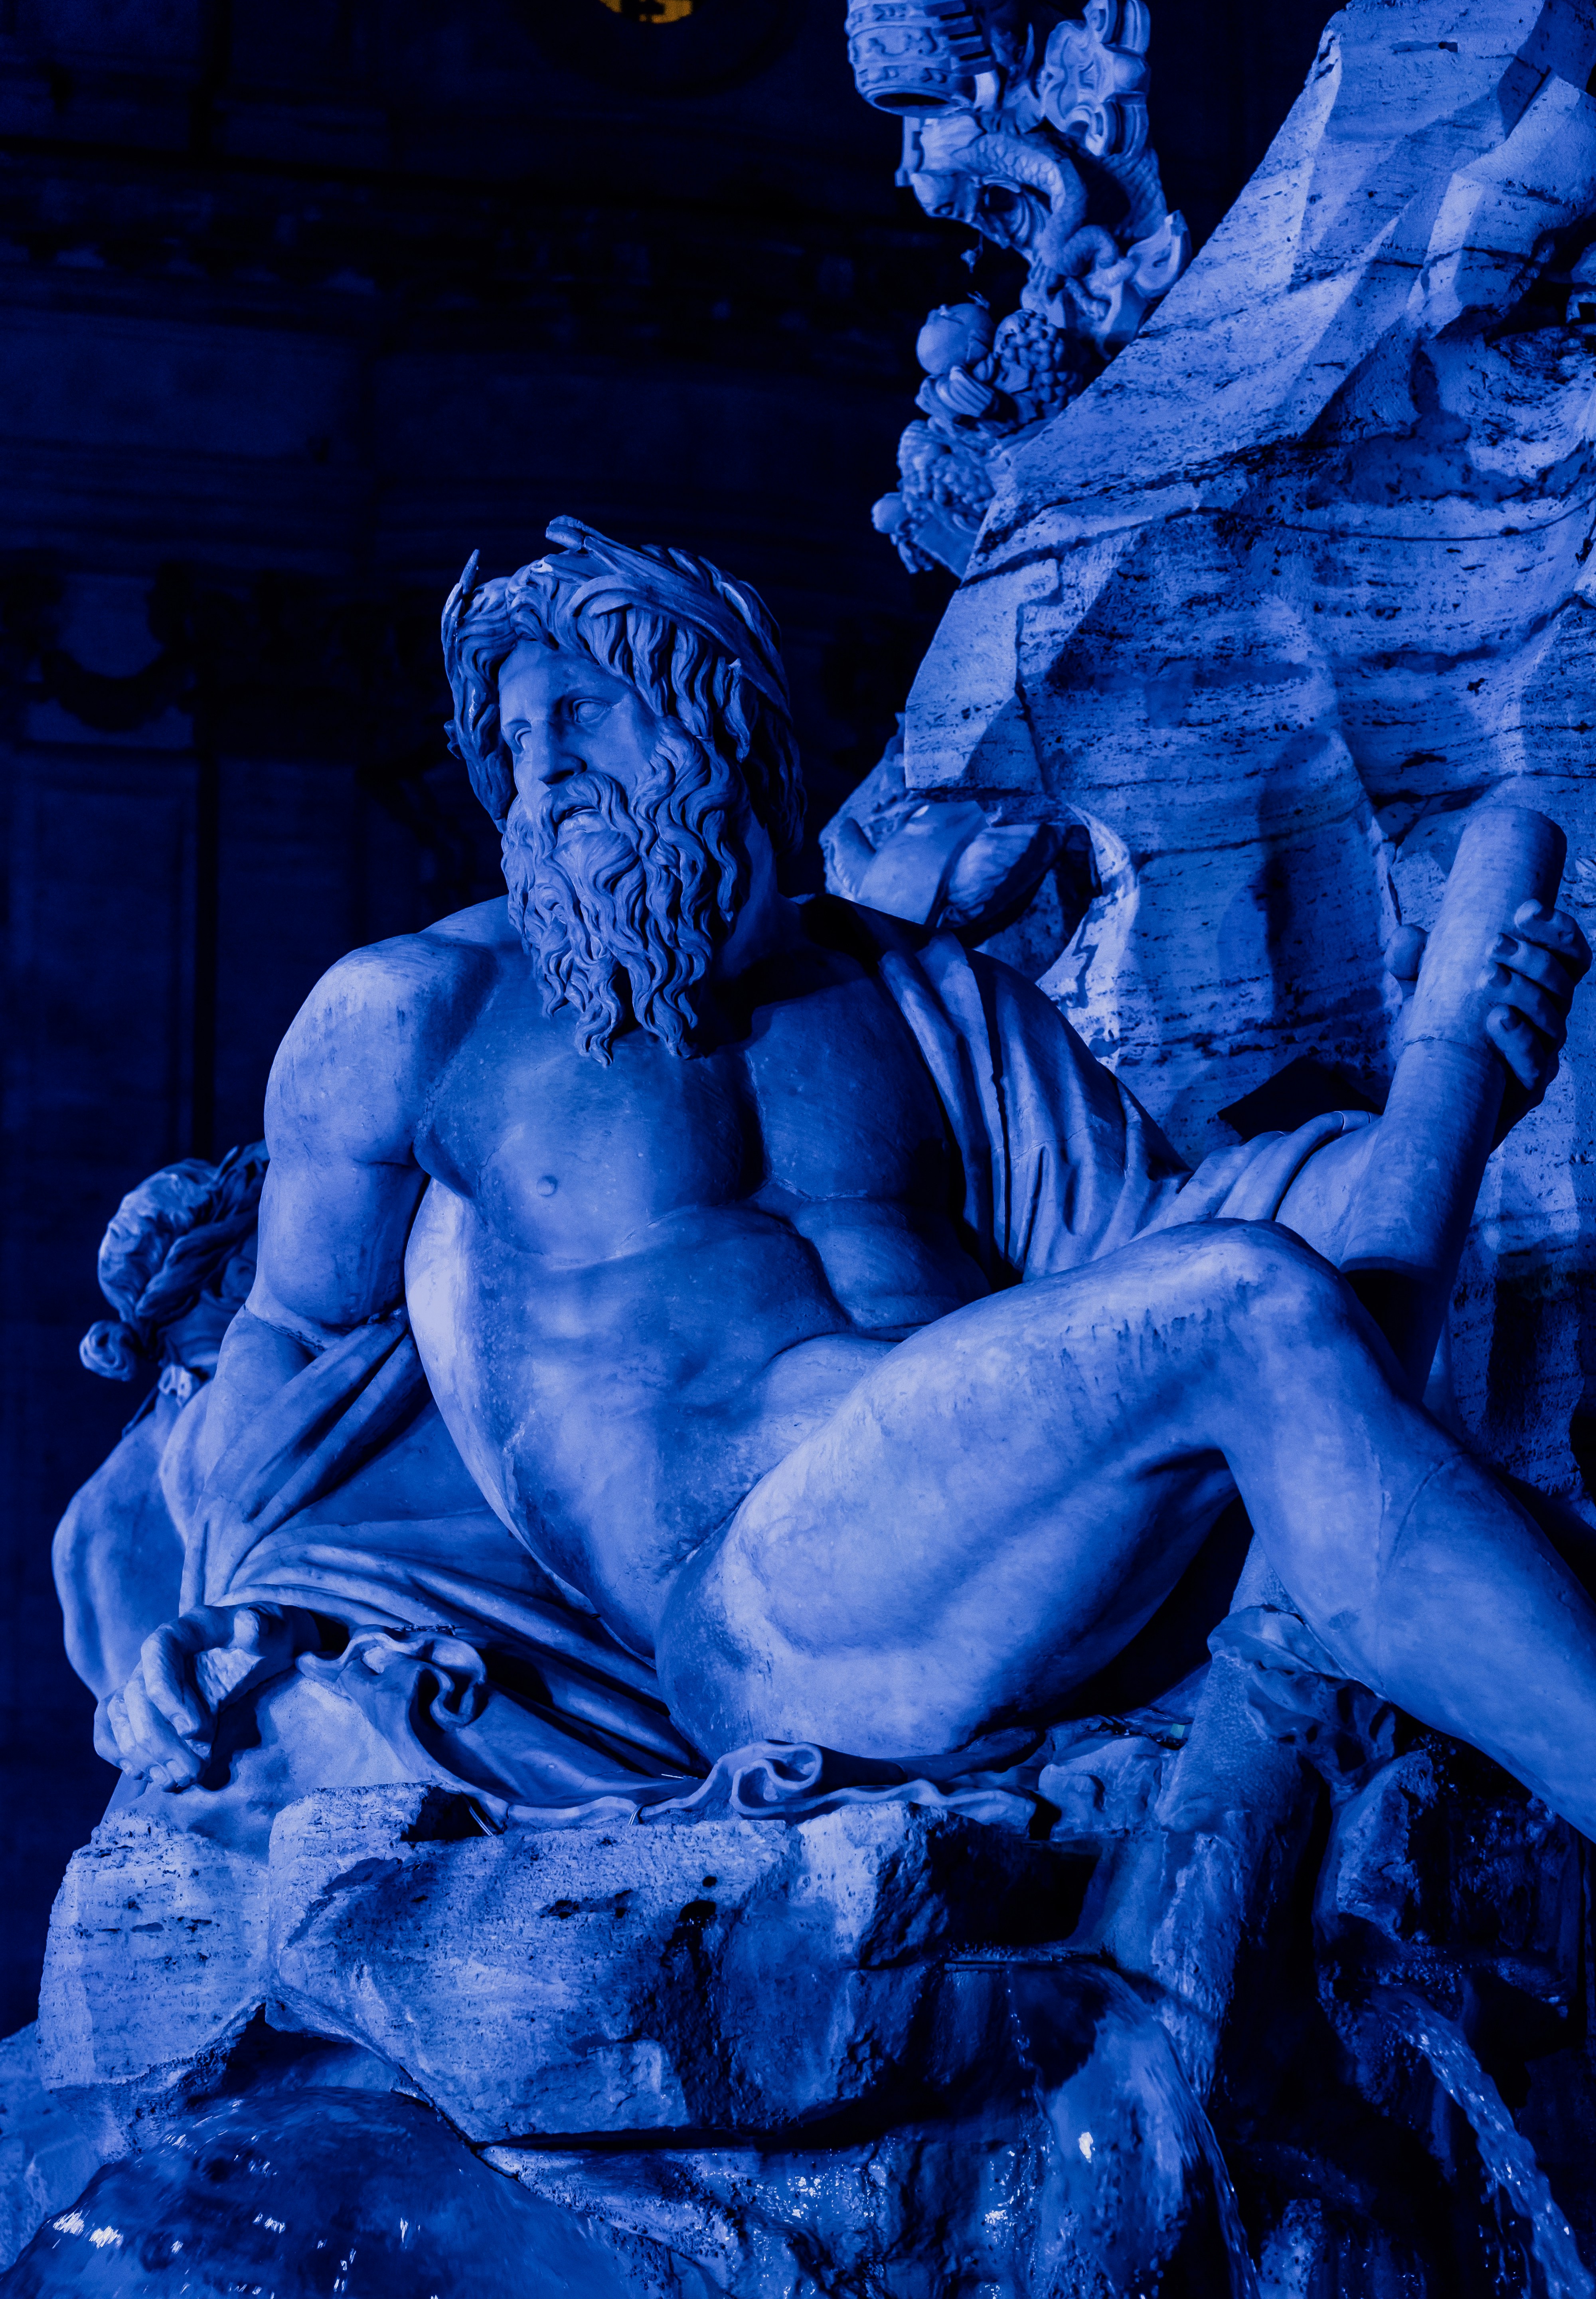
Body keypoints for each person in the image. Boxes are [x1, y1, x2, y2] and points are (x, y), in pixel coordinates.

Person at [99, 519, 1596, 1842]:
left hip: (994, 1553)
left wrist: (1447, 1090)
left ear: (716, 727)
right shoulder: (422, 1012)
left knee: (1260, 1304)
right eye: (513, 734)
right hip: (750, 1620)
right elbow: (288, 1349)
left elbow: (1167, 1256)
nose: (541, 765)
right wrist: (215, 1620)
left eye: (582, 714)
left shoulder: (933, 1006)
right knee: (1246, 1308)